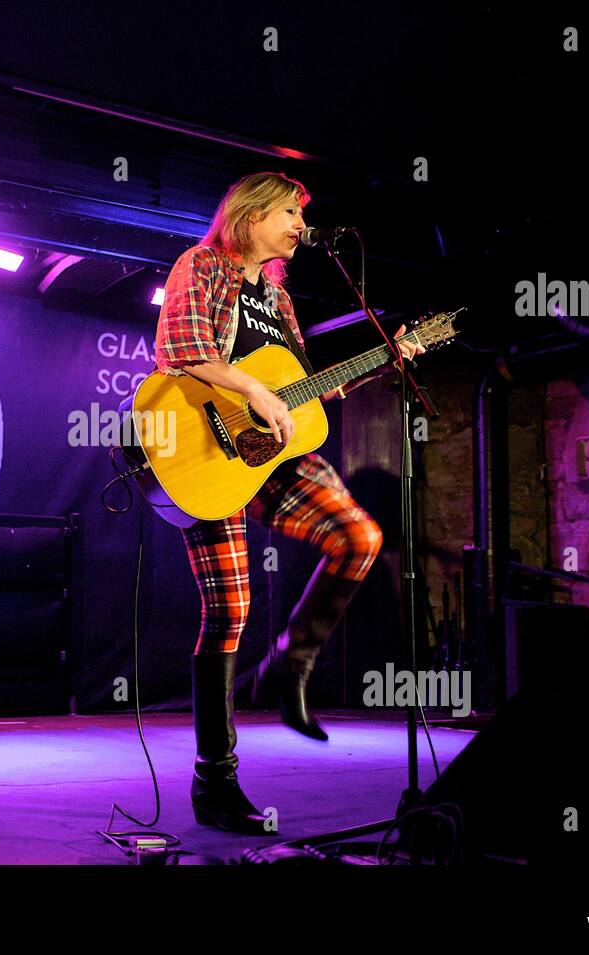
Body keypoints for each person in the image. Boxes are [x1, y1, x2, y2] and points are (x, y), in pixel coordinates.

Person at [153, 171, 426, 833]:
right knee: (229, 612)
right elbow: (181, 349)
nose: (301, 228)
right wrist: (256, 390)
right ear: (249, 213)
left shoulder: (277, 296)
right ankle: (214, 782)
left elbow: (296, 391)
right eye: (289, 214)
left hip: (269, 460)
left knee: (359, 537)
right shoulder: (204, 265)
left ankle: (289, 665)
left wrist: (386, 359)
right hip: (201, 446)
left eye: (303, 219)